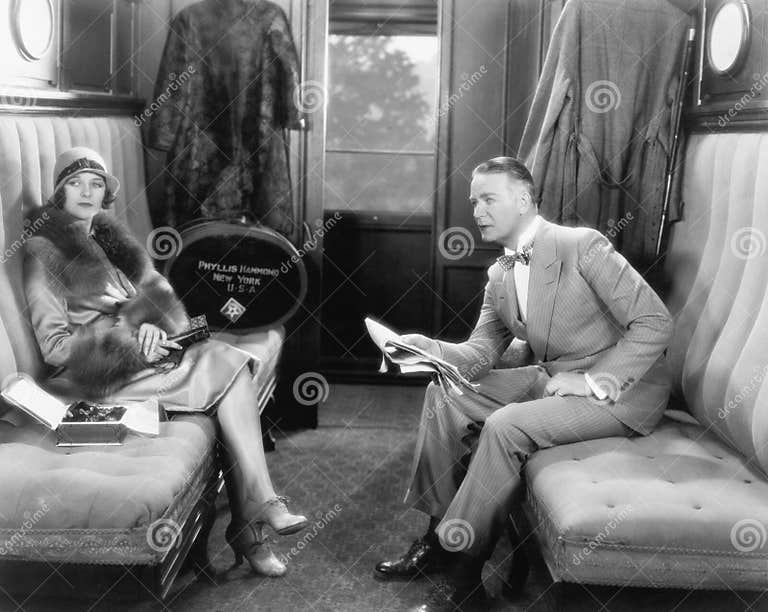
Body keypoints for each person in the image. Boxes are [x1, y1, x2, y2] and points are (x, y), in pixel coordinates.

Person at [374, 157, 673, 611]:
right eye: (474, 201)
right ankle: (438, 536)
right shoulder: (500, 274)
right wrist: (428, 349)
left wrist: (594, 381)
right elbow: (479, 354)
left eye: (488, 199)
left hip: (623, 393)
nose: (476, 211)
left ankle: (465, 579)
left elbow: (655, 321)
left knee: (506, 425)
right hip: (556, 380)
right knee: (444, 394)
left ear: (523, 198)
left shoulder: (582, 246)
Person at [21, 147, 307, 578]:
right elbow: (54, 346)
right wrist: (130, 341)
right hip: (92, 378)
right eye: (75, 183)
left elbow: (161, 300)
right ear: (59, 193)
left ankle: (254, 518)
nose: (86, 192)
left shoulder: (113, 243)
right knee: (228, 366)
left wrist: (152, 324)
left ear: (105, 195)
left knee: (228, 366)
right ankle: (253, 522)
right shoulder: (43, 255)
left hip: (143, 360)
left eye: (96, 183)